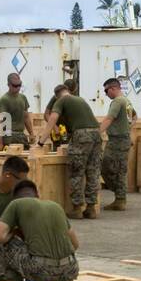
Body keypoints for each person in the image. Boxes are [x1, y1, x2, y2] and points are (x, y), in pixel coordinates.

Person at [0, 180, 80, 281]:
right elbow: (75, 244)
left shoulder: (16, 204)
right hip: (69, 270)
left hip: (40, 270)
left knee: (1, 247)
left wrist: (14, 232)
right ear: (37, 194)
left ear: (15, 197)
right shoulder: (55, 206)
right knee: (62, 253)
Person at [47, 80, 102, 219]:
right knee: (93, 171)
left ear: (57, 95)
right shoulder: (80, 99)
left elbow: (52, 118)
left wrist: (41, 141)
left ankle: (77, 208)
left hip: (81, 135)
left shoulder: (61, 100)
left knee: (76, 171)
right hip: (96, 134)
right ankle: (91, 208)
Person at [99, 77, 136, 210]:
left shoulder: (117, 101)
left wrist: (97, 133)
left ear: (113, 88)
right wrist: (127, 129)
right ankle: (120, 199)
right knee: (120, 169)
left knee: (105, 166)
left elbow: (109, 118)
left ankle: (120, 196)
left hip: (117, 141)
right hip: (123, 139)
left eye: (106, 90)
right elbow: (134, 118)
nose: (105, 93)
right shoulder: (127, 101)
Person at [0, 72, 35, 148]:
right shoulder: (4, 100)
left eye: (19, 85)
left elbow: (26, 117)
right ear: (8, 85)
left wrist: (31, 134)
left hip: (21, 136)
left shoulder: (23, 98)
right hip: (8, 137)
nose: (18, 88)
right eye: (15, 86)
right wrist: (0, 143)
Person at [42, 84, 68, 149]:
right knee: (58, 150)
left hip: (67, 129)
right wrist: (55, 127)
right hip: (59, 128)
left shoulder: (73, 98)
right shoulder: (55, 98)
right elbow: (46, 115)